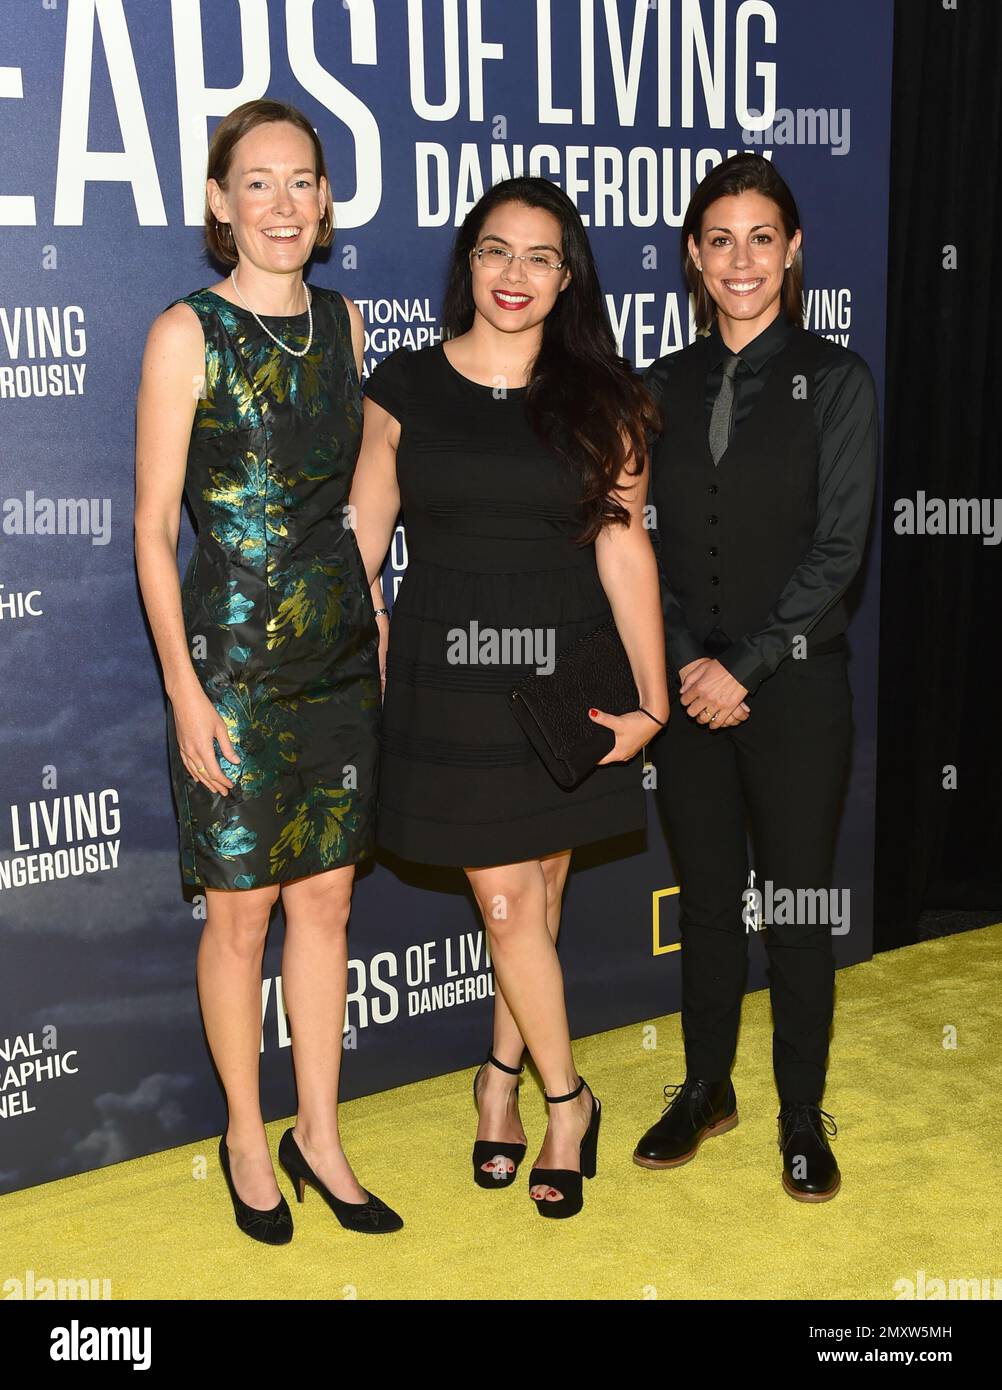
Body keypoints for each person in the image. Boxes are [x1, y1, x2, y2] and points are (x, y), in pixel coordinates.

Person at [350, 176, 668, 1219]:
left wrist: (654, 701)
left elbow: (625, 551)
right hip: (449, 675)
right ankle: (568, 1100)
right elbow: (361, 543)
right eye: (497, 251)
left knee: (537, 892)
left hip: (567, 667)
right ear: (468, 263)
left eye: (541, 256)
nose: (516, 275)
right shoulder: (402, 387)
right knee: (505, 897)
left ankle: (499, 1083)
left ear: (567, 276)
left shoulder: (605, 397)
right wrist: (372, 647)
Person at [134, 99, 401, 1242]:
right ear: (218, 202)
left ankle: (319, 1133)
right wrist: (184, 690)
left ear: (326, 202)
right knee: (240, 915)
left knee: (329, 902)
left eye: (303, 182)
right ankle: (248, 1132)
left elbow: (360, 485)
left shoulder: (345, 326)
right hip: (230, 663)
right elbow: (150, 529)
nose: (283, 204)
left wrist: (377, 610)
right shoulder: (185, 333)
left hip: (337, 652)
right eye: (258, 182)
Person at [634, 153, 878, 1201]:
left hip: (795, 692)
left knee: (795, 904)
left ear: (793, 252)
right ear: (693, 255)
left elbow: (838, 553)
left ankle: (799, 1111)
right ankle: (705, 1087)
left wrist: (746, 665)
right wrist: (688, 660)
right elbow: (640, 541)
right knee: (708, 904)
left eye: (761, 239)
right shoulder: (658, 388)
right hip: (691, 692)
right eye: (720, 239)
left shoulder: (835, 380)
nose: (742, 259)